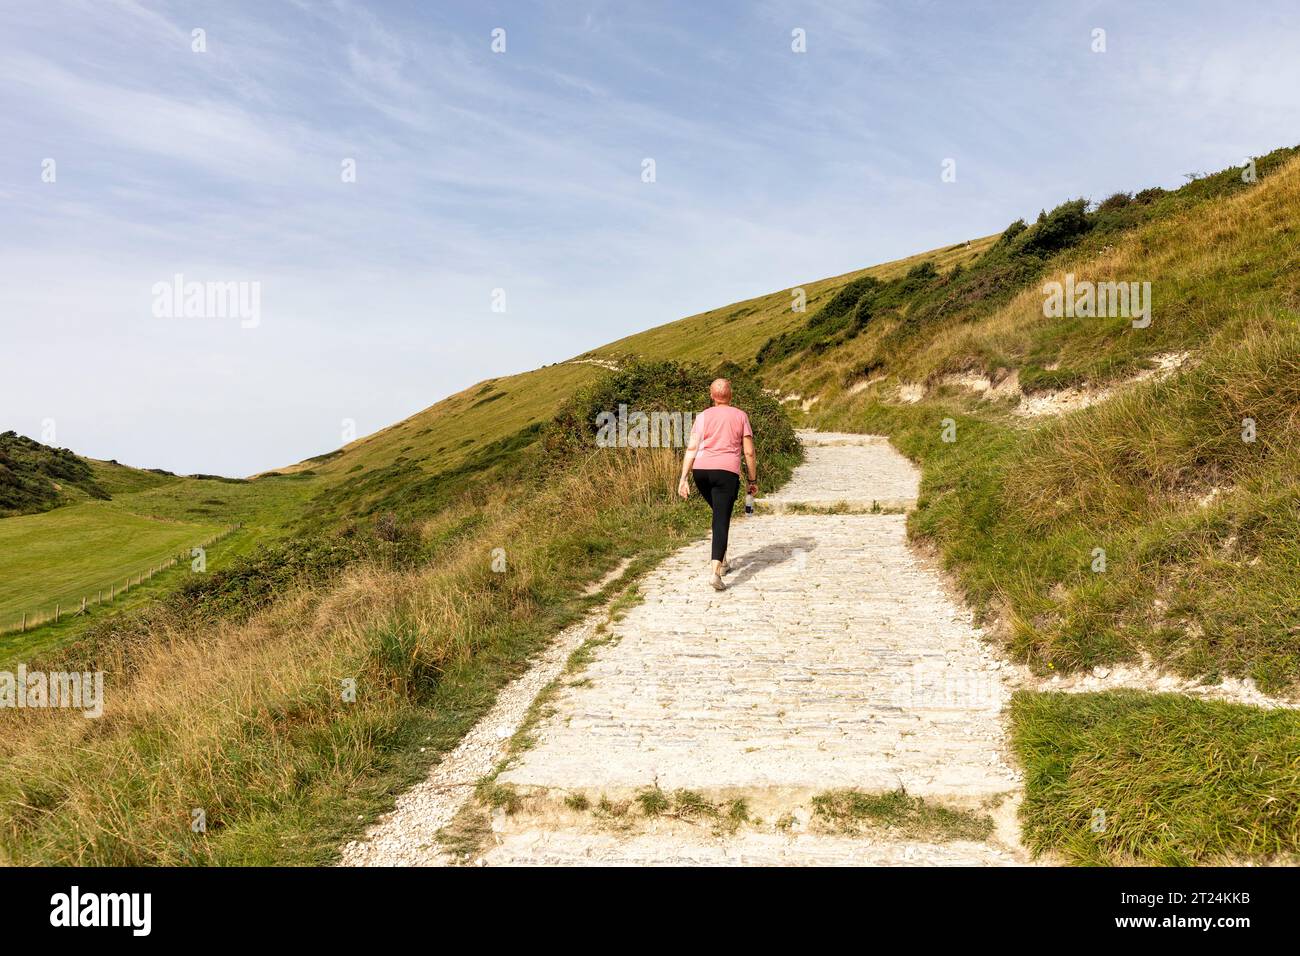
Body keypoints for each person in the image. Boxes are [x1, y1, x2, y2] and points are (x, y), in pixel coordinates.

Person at [677, 378, 758, 591]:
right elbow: (749, 451)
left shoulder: (702, 416)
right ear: (730, 395)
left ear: (712, 396)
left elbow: (692, 448)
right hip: (726, 473)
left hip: (701, 472)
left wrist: (683, 478)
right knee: (721, 520)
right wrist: (752, 479)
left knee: (718, 515)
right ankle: (716, 572)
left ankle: (723, 558)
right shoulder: (740, 416)